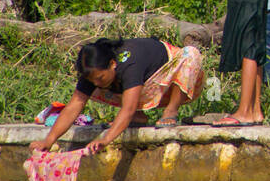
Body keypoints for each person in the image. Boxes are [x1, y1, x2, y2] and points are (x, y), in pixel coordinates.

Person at [29, 36, 205, 154]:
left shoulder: (130, 64)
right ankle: (140, 115)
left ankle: (171, 111)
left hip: (170, 82)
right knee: (94, 90)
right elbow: (74, 105)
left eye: (100, 78)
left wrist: (106, 140)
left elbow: (127, 109)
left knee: (191, 54)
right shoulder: (94, 75)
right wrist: (49, 140)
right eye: (93, 80)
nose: (97, 83)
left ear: (113, 63)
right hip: (141, 89)